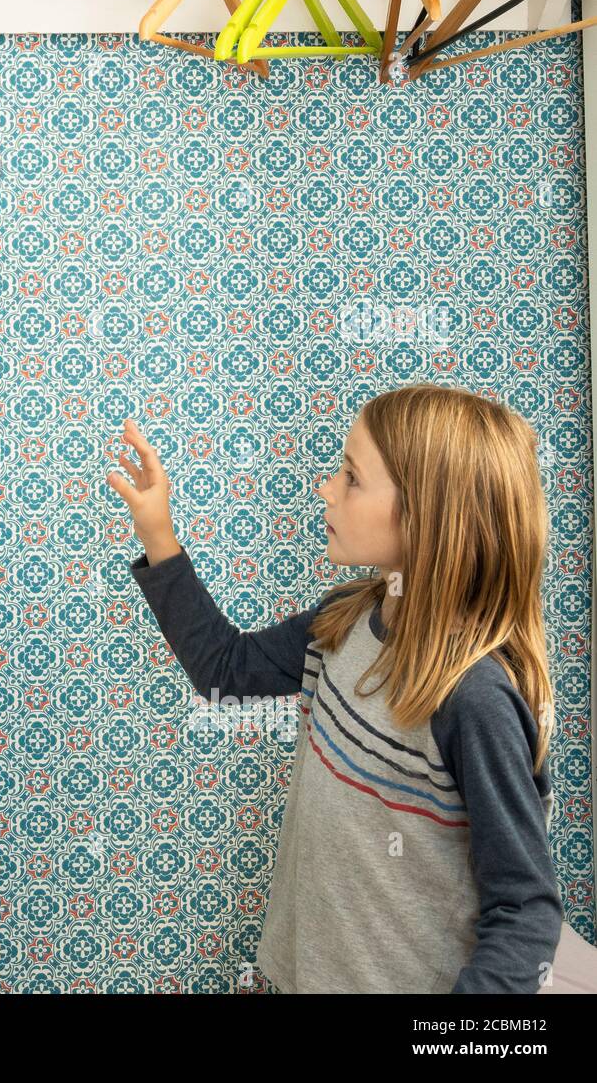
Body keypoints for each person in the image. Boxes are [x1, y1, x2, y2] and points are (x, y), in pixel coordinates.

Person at [108, 384, 563, 993]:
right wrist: (158, 534)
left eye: (351, 476)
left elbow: (526, 911)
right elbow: (225, 668)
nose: (326, 487)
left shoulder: (473, 697)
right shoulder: (346, 622)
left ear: (426, 513)